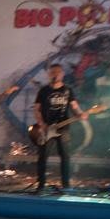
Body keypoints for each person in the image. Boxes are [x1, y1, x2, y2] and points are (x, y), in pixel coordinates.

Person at [32, 62, 89, 193]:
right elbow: (36, 109)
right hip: (47, 128)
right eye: (52, 72)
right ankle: (41, 185)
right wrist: (41, 124)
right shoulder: (44, 90)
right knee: (43, 157)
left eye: (58, 72)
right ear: (49, 74)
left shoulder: (68, 90)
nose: (55, 74)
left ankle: (66, 185)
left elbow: (75, 106)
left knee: (65, 156)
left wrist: (81, 113)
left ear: (62, 74)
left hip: (63, 128)